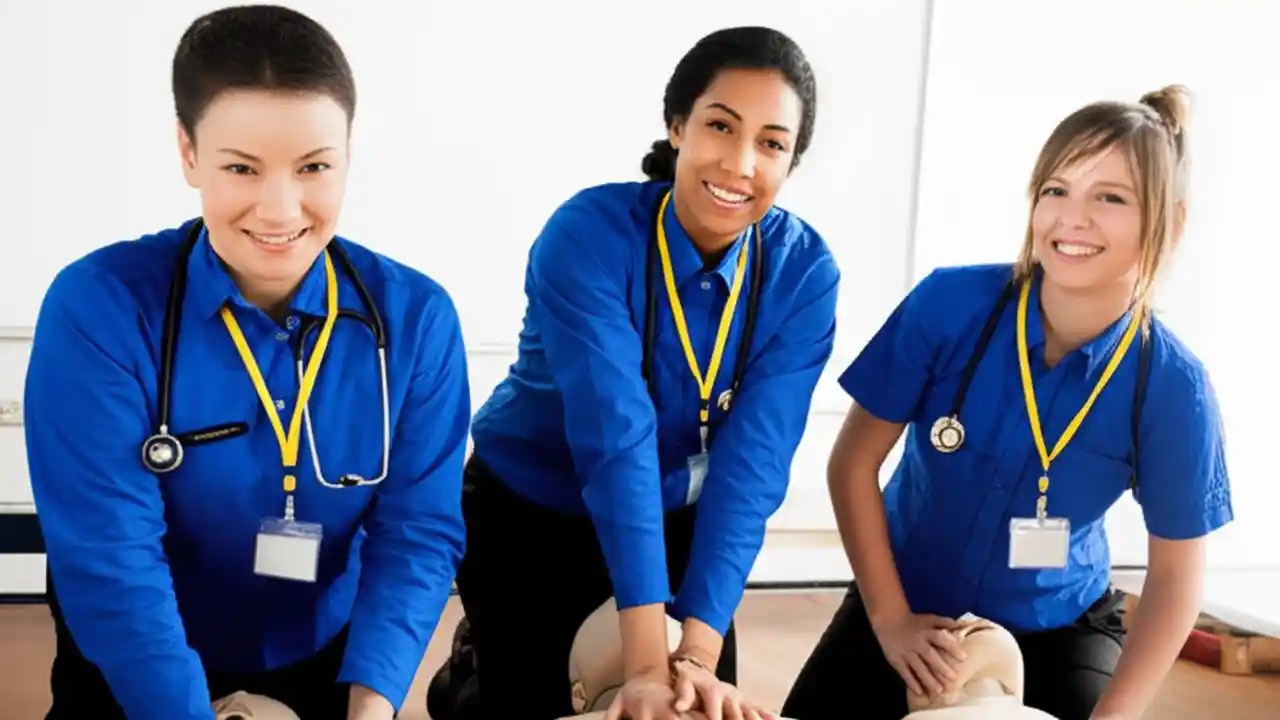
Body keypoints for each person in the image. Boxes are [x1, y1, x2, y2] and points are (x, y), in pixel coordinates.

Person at [24, 6, 469, 720]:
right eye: (241, 168)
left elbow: (417, 532)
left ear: (348, 154)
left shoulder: (415, 319)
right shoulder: (100, 309)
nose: (280, 208)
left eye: (315, 167)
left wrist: (372, 709)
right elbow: (111, 558)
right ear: (188, 152)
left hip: (327, 657)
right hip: (135, 662)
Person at [780, 85, 1233, 720]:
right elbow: (851, 465)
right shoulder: (948, 306)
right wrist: (890, 621)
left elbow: (1177, 579)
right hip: (907, 609)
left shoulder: (1173, 384)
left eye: (1111, 198)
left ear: (1170, 220)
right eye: (1056, 190)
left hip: (1056, 627)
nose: (1072, 219)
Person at [445, 25, 839, 720]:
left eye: (772, 144)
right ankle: (472, 672)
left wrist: (692, 658)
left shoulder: (803, 272)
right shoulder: (588, 235)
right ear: (678, 125)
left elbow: (754, 465)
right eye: (721, 126)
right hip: (532, 508)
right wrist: (646, 666)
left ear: (791, 162)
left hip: (675, 515)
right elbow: (615, 437)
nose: (741, 163)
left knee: (694, 707)